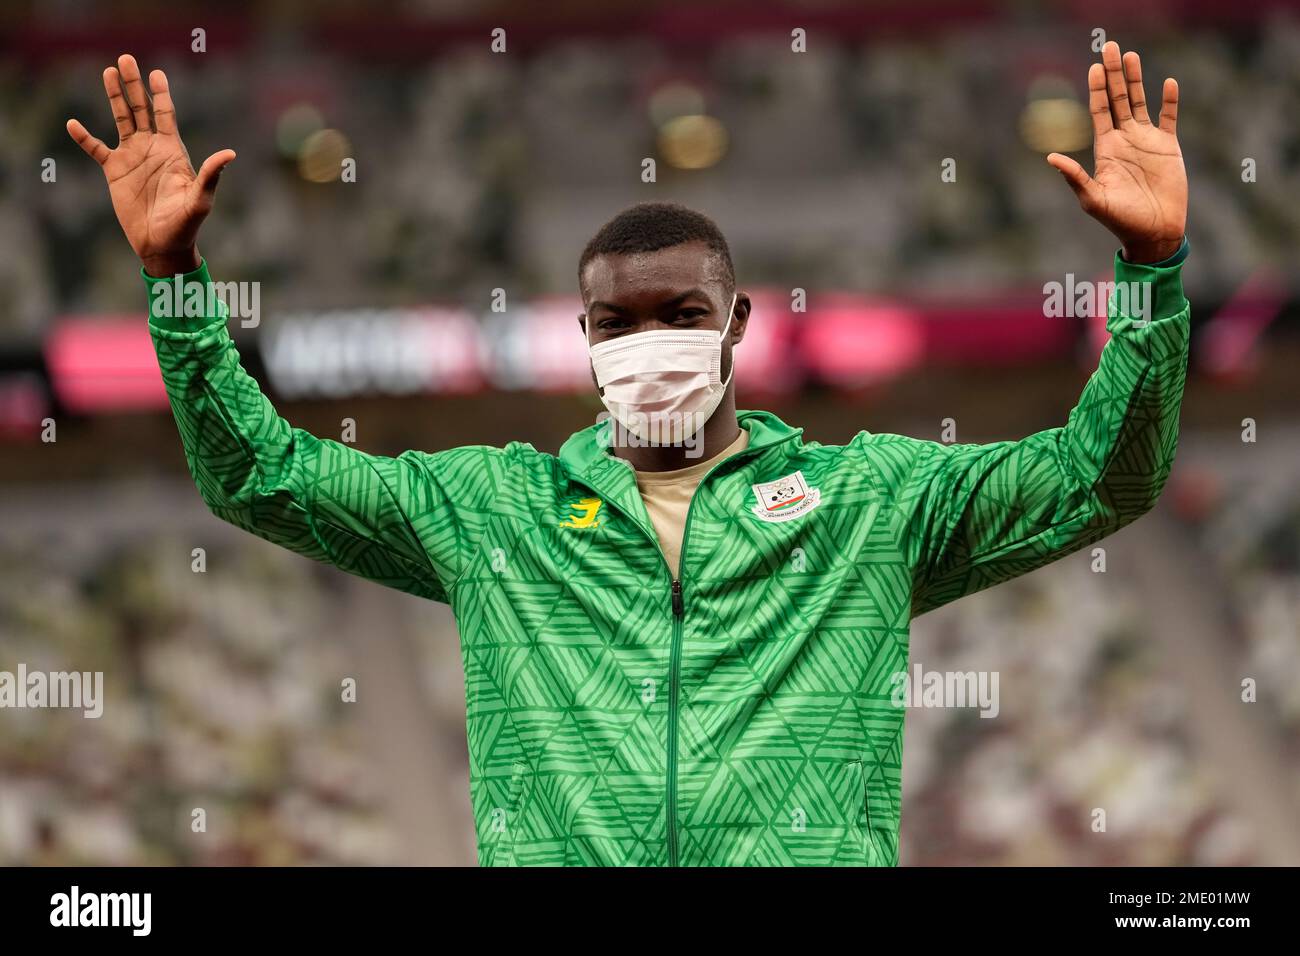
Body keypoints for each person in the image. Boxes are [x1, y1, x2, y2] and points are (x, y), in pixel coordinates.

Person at [68, 42, 1189, 866]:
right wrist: (176, 286)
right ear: (585, 337)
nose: (650, 342)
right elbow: (259, 475)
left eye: (680, 312)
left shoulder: (868, 503)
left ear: (737, 323)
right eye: (621, 322)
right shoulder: (494, 510)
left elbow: (1103, 475)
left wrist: (1149, 268)